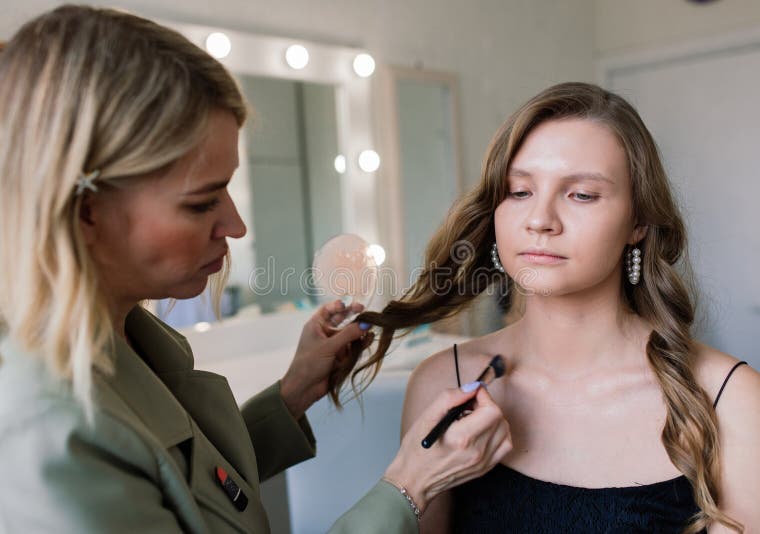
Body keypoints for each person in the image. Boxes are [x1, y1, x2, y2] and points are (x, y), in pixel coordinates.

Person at [0, 6, 512, 533]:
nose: (237, 225)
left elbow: (191, 488)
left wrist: (292, 394)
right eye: (201, 203)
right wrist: (410, 484)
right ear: (83, 210)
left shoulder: (132, 337)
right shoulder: (42, 432)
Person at [354, 82, 760, 532]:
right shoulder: (444, 383)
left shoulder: (730, 401)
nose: (540, 219)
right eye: (518, 191)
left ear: (638, 222)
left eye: (581, 194)